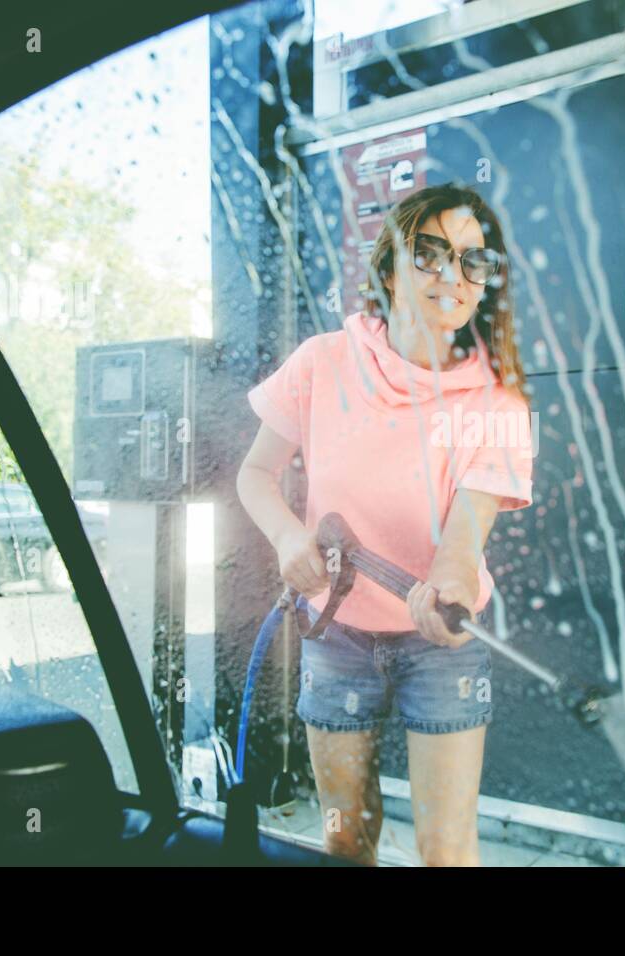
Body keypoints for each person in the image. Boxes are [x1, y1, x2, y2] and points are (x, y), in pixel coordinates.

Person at [236, 182, 535, 866]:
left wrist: (449, 589)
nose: (451, 276)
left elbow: (464, 539)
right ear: (390, 264)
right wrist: (288, 537)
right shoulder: (321, 363)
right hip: (335, 638)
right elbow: (255, 476)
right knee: (344, 836)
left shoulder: (497, 404)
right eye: (429, 252)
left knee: (446, 849)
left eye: (472, 261)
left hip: (442, 649)